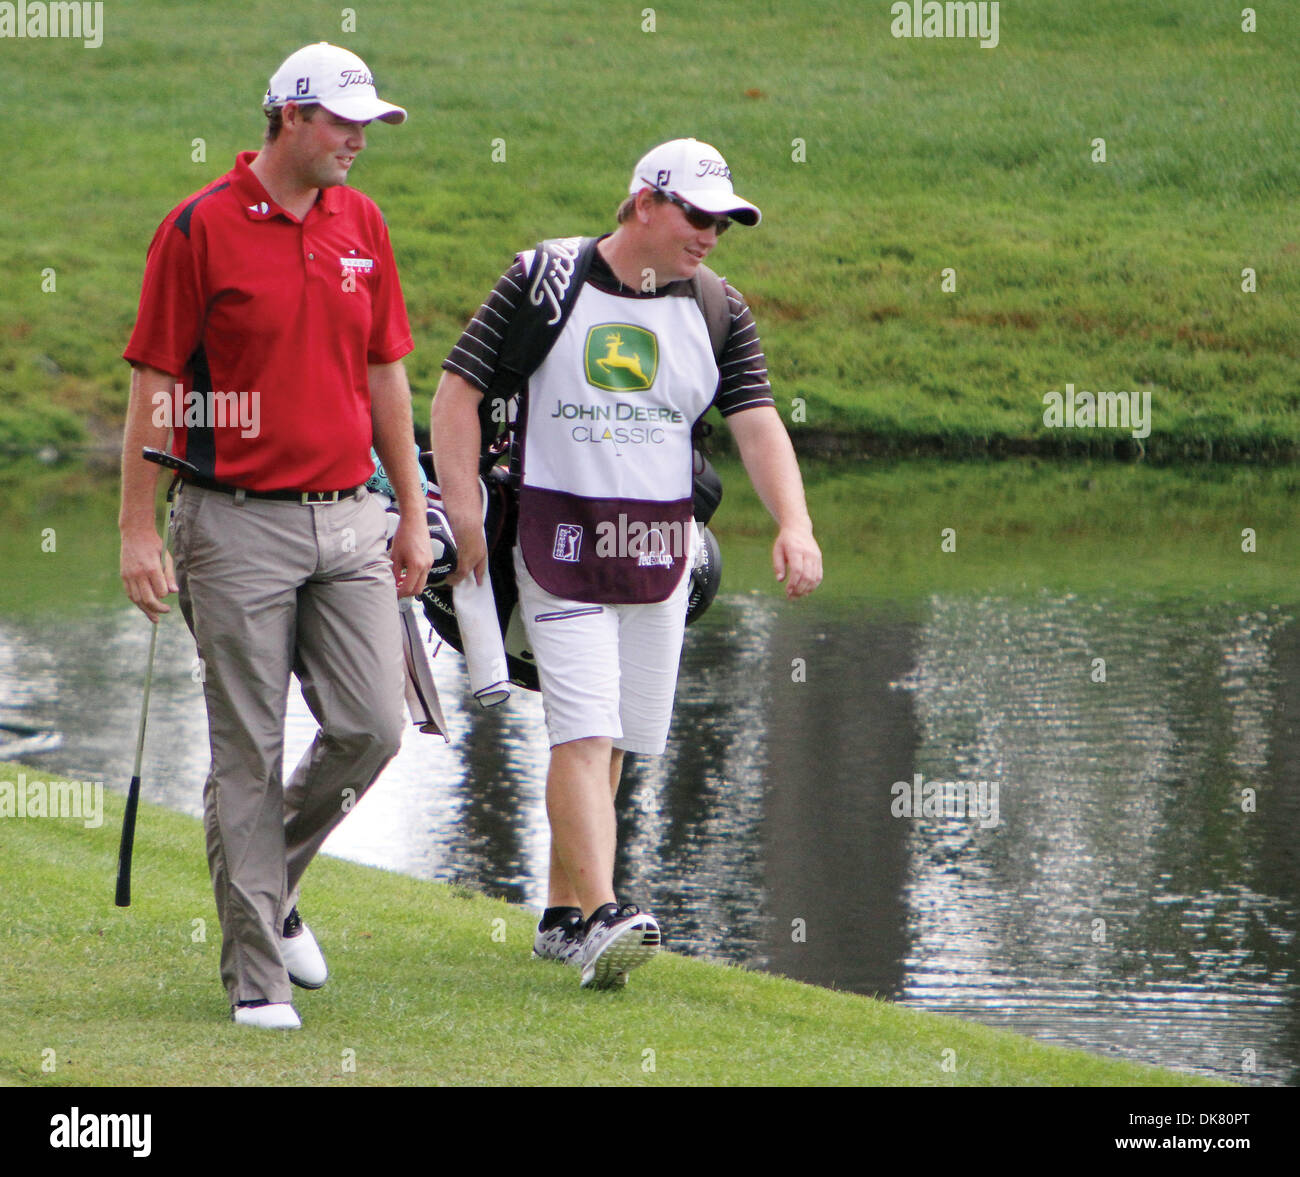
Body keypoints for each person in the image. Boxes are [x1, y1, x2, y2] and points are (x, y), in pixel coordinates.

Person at [431, 138, 822, 989]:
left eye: (724, 221)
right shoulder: (542, 279)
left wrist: (793, 522)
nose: (711, 234)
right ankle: (607, 912)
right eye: (696, 214)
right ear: (643, 202)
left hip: (659, 552)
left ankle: (563, 915)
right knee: (583, 728)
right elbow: (457, 388)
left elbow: (756, 420)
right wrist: (460, 504)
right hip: (554, 539)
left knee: (619, 742)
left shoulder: (720, 308)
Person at [118, 42, 431, 1029]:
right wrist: (137, 530)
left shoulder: (361, 224)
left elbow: (386, 372)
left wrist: (414, 512)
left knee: (373, 725)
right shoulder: (199, 228)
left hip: (349, 516)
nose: (357, 142)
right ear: (288, 117)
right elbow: (157, 385)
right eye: (343, 123)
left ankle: (271, 882)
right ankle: (254, 970)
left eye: (367, 125)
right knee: (248, 750)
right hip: (231, 521)